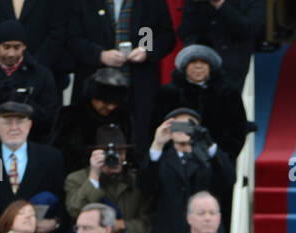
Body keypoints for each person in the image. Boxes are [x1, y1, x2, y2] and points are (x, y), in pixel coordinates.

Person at [71, 0, 176, 154]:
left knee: (139, 143)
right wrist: (100, 55)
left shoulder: (151, 3)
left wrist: (145, 50)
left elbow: (165, 35)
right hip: (97, 91)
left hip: (138, 89)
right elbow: (71, 37)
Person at [140, 109, 236, 233]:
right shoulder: (160, 158)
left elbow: (228, 180)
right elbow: (145, 185)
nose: (182, 129)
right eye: (177, 125)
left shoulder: (210, 158)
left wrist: (209, 145)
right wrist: (157, 144)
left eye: (189, 125)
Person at [0, 99, 65, 233]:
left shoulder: (49, 158)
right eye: (8, 122)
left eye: (20, 122)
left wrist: (56, 222)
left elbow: (62, 199)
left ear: (29, 125)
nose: (14, 128)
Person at [153, 45, 251, 163]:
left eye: (203, 62)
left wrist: (223, 156)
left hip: (217, 161)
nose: (198, 66)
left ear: (210, 67)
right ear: (185, 67)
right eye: (193, 62)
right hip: (176, 163)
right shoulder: (168, 93)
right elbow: (159, 126)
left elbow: (238, 129)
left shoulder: (228, 94)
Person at [176, 0, 265, 93]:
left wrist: (220, 4)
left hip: (231, 66)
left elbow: (248, 29)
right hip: (200, 62)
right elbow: (184, 32)